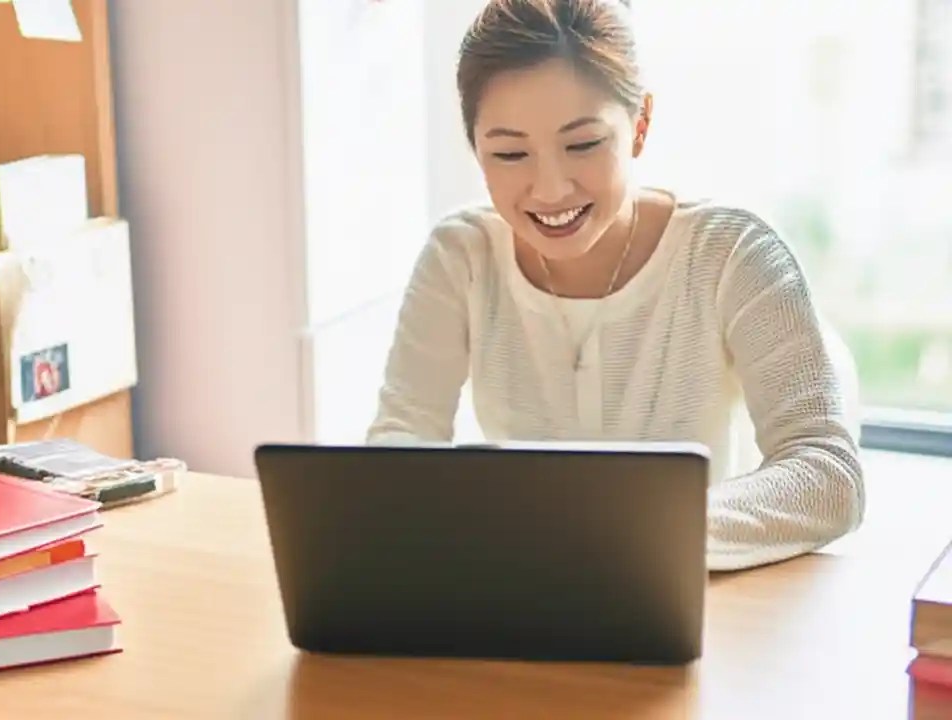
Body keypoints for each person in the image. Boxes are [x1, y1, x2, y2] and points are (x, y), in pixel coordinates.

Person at [366, 0, 864, 572]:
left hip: (694, 597)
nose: (549, 189)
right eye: (509, 153)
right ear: (475, 148)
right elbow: (398, 446)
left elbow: (828, 473)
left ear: (640, 126)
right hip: (524, 593)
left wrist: (634, 536)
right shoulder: (461, 256)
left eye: (582, 144)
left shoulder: (734, 254)